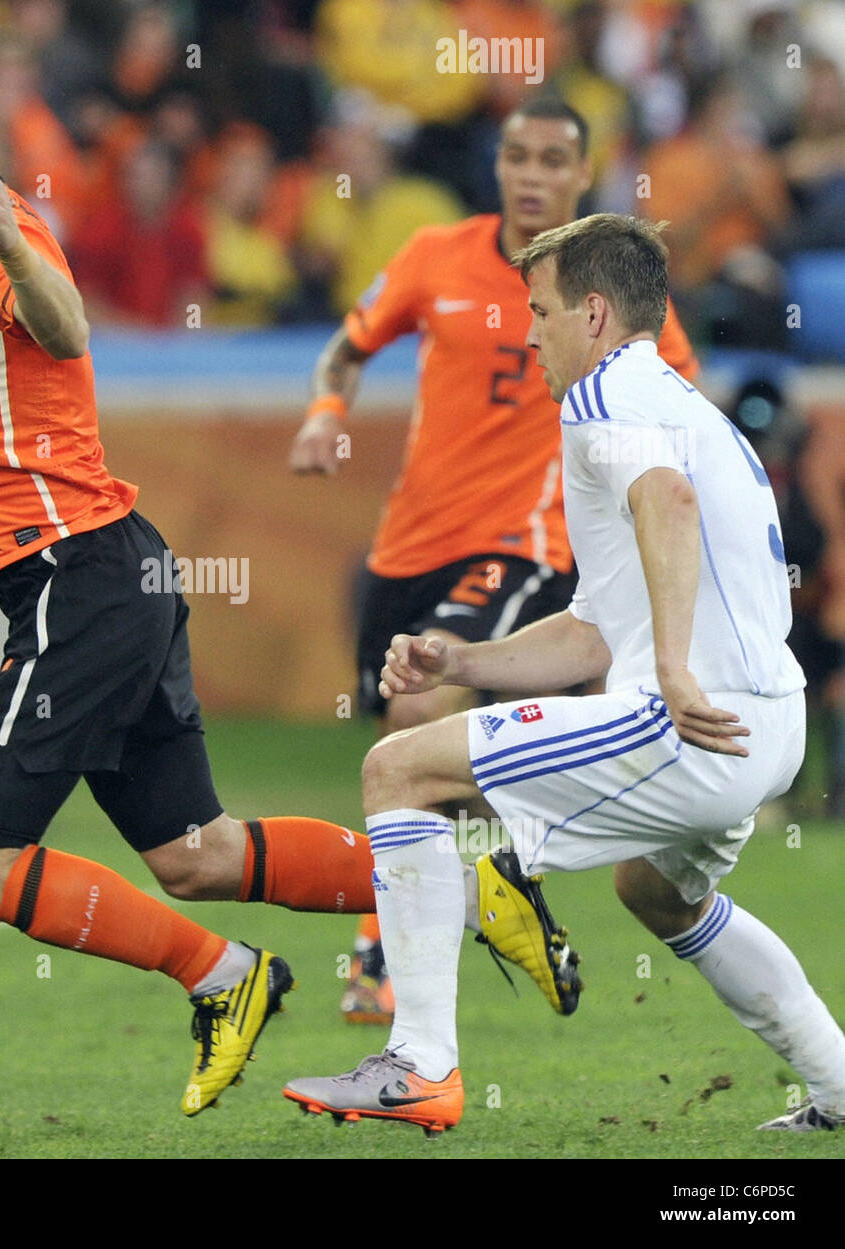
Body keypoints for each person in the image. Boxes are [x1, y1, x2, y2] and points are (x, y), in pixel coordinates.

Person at [0, 38, 411, 1118]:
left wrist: (11, 244)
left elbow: (66, 325)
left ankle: (225, 979)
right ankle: (444, 877)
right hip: (114, 567)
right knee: (196, 853)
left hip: (74, 581)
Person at [283, 213, 845, 1135]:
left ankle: (420, 1062)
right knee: (656, 891)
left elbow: (665, 501)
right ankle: (836, 1081)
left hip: (694, 721)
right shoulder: (688, 409)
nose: (526, 331)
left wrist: (667, 670)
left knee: (398, 769)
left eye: (537, 310)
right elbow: (594, 630)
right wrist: (462, 658)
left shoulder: (602, 397)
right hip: (766, 724)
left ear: (593, 313)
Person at [290, 98, 698, 1025]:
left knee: (422, 704)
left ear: (580, 175)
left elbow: (676, 417)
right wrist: (325, 414)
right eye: (516, 155)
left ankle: (392, 958)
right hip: (408, 548)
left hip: (526, 547)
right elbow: (346, 350)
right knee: (403, 753)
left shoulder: (612, 297)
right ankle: (505, 877)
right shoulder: (436, 255)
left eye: (553, 158)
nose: (531, 174)